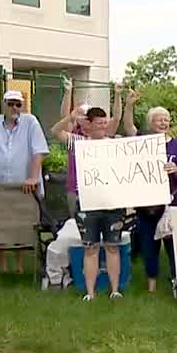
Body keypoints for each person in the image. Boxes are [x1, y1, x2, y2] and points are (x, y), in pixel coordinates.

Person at [52, 106, 125, 301]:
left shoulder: (115, 144)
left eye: (105, 122)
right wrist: (70, 116)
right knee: (90, 248)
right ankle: (90, 293)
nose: (104, 126)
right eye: (100, 123)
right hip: (86, 203)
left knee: (112, 246)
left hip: (112, 202)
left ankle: (115, 290)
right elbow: (56, 132)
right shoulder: (79, 143)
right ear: (89, 125)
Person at [123, 91, 177, 292]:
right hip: (147, 204)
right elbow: (128, 130)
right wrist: (129, 105)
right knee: (148, 244)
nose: (163, 123)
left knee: (172, 246)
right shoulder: (143, 142)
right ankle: (151, 284)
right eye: (159, 120)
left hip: (173, 203)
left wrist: (176, 170)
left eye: (166, 120)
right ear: (150, 123)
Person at [0, 90, 49, 274]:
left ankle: (20, 267)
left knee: (23, 226)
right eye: (10, 103)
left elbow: (39, 152)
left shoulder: (31, 122)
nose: (14, 108)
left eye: (18, 104)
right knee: (0, 227)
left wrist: (32, 177)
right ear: (3, 104)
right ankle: (3, 269)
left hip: (25, 186)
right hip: (0, 185)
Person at [58, 77, 122, 216]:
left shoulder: (103, 134)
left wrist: (117, 95)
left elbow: (116, 118)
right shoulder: (75, 136)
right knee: (78, 225)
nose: (81, 118)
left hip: (99, 189)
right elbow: (64, 116)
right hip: (75, 189)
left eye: (85, 115)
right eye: (79, 115)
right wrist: (68, 92)